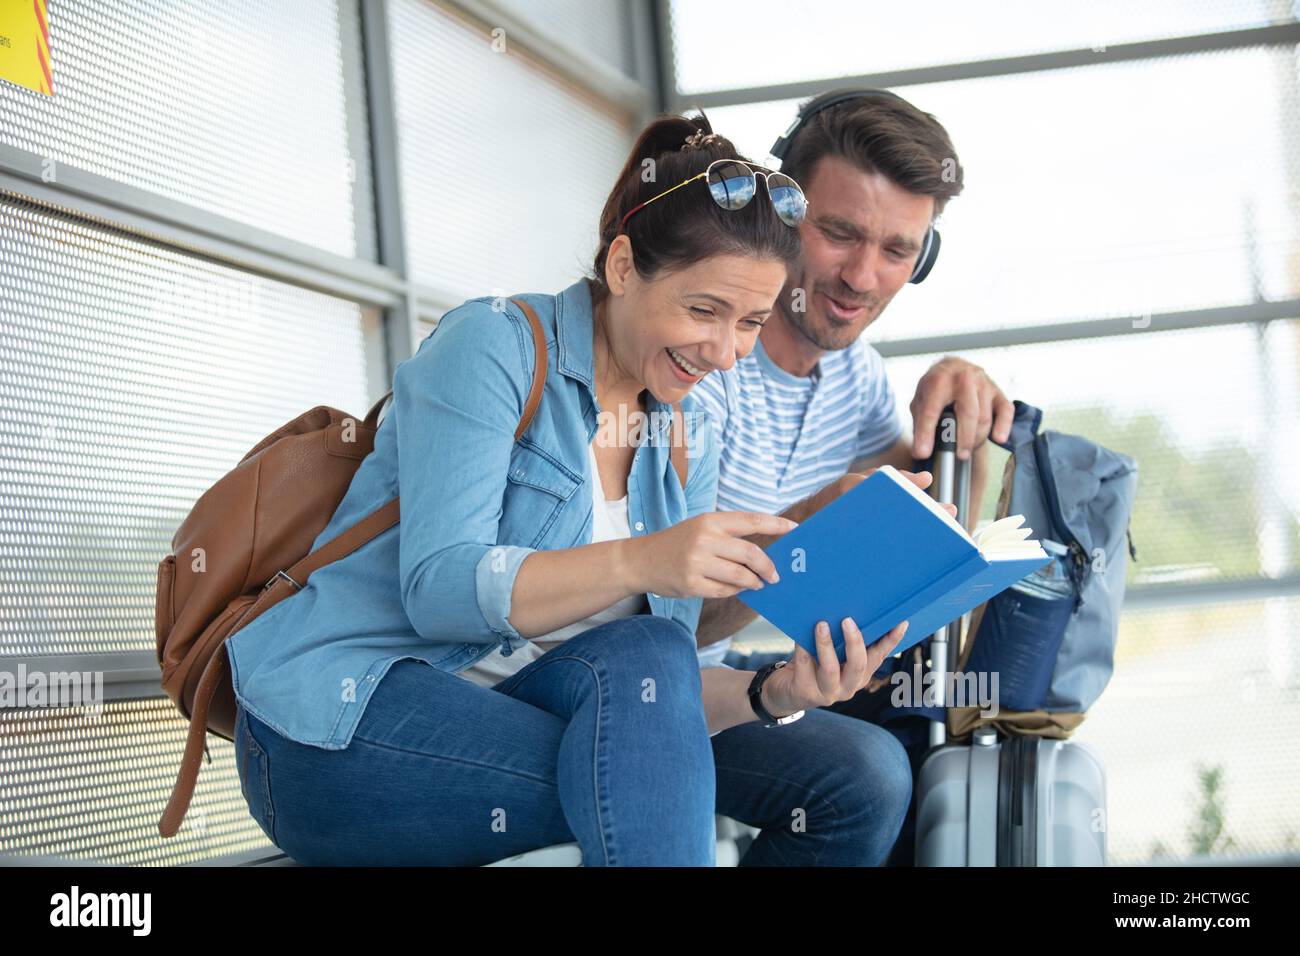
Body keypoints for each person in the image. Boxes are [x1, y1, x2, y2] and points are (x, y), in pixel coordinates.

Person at [224, 112, 914, 867]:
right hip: (347, 724)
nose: (724, 352)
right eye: (703, 310)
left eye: (750, 321)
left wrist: (774, 695)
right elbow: (440, 588)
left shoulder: (685, 431)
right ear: (623, 267)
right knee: (640, 759)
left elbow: (662, 693)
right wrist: (644, 561)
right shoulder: (496, 344)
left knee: (859, 777)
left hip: (540, 719)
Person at [691, 90, 1016, 863]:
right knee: (865, 775)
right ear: (780, 212)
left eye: (898, 250)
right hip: (636, 670)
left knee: (926, 737)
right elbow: (659, 624)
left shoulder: (859, 381)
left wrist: (952, 410)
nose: (862, 277)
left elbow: (938, 533)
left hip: (716, 673)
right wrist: (812, 531)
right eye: (839, 233)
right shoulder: (699, 364)